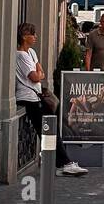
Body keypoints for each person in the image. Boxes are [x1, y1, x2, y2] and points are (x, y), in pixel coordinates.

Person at [15, 23, 87, 176]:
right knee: (48, 130)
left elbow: (40, 72)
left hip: (37, 96)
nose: (35, 37)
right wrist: (38, 75)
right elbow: (35, 76)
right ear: (23, 36)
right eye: (32, 34)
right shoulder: (20, 55)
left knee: (52, 128)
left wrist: (38, 74)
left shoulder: (32, 52)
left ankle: (61, 161)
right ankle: (63, 164)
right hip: (28, 98)